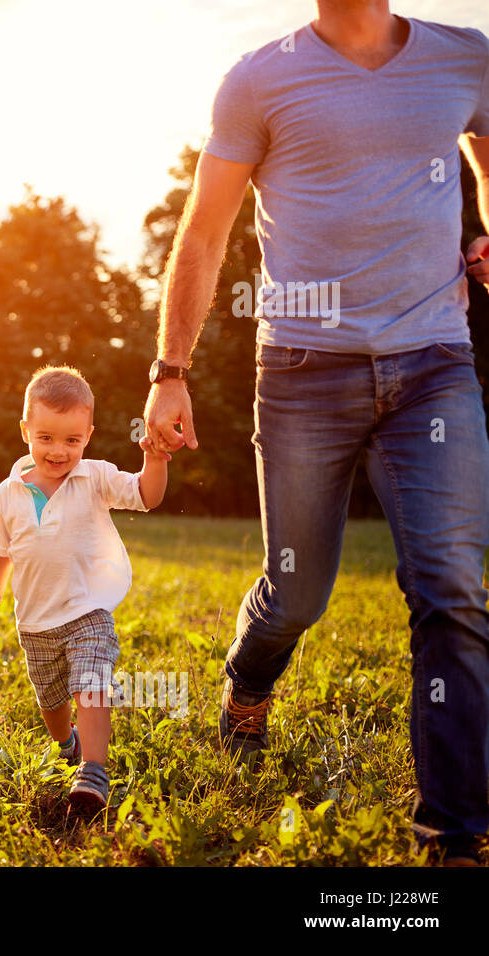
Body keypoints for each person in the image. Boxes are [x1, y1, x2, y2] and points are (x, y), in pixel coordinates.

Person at [144, 2, 489, 864]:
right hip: (305, 373)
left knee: (450, 588)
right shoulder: (261, 79)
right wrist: (169, 373)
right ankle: (248, 685)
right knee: (297, 594)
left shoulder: (466, 58)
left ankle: (456, 831)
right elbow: (205, 230)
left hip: (435, 365)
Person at [0, 366, 168, 818]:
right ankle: (66, 743)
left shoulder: (96, 477)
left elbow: (147, 495)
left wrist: (156, 459)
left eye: (72, 440)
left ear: (88, 435)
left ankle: (93, 770)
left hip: (89, 609)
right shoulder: (7, 494)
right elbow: (0, 550)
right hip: (36, 620)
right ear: (25, 430)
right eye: (45, 437)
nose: (58, 451)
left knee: (92, 684)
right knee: (51, 700)